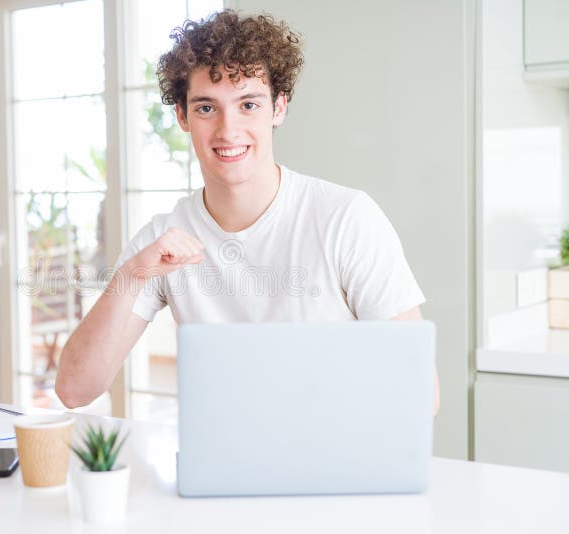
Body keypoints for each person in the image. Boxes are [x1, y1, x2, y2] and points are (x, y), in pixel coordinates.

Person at [55, 9, 440, 415]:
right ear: (183, 117)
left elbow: (420, 395)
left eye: (248, 104)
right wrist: (132, 276)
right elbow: (74, 390)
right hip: (220, 467)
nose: (228, 130)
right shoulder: (163, 239)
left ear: (278, 108)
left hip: (332, 463)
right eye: (206, 108)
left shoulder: (346, 219)